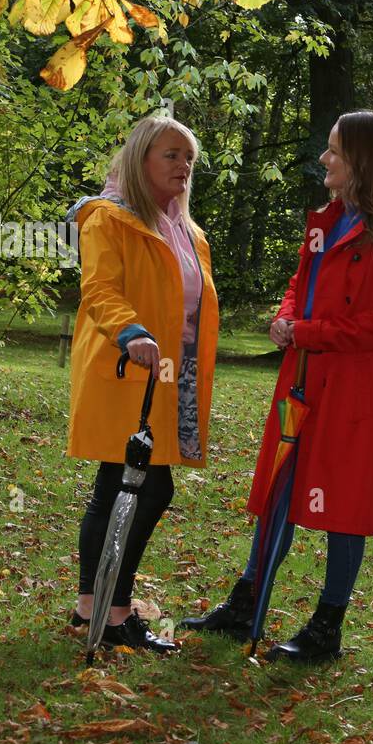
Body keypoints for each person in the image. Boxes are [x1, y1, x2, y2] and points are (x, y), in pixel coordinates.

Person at [180, 109, 373, 663]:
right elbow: (301, 283)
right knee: (278, 490)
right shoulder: (323, 220)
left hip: (357, 387)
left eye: (334, 148)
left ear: (361, 158)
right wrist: (284, 318)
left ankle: (326, 626)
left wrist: (309, 330)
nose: (324, 158)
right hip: (302, 378)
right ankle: (246, 601)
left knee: (346, 502)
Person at [65, 116, 219, 654]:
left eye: (188, 158)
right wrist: (131, 332)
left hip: (171, 376)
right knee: (137, 486)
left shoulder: (183, 229)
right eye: (171, 155)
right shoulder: (108, 219)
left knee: (128, 486)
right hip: (127, 369)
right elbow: (99, 289)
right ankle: (110, 612)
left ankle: (96, 608)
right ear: (140, 159)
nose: (183, 166)